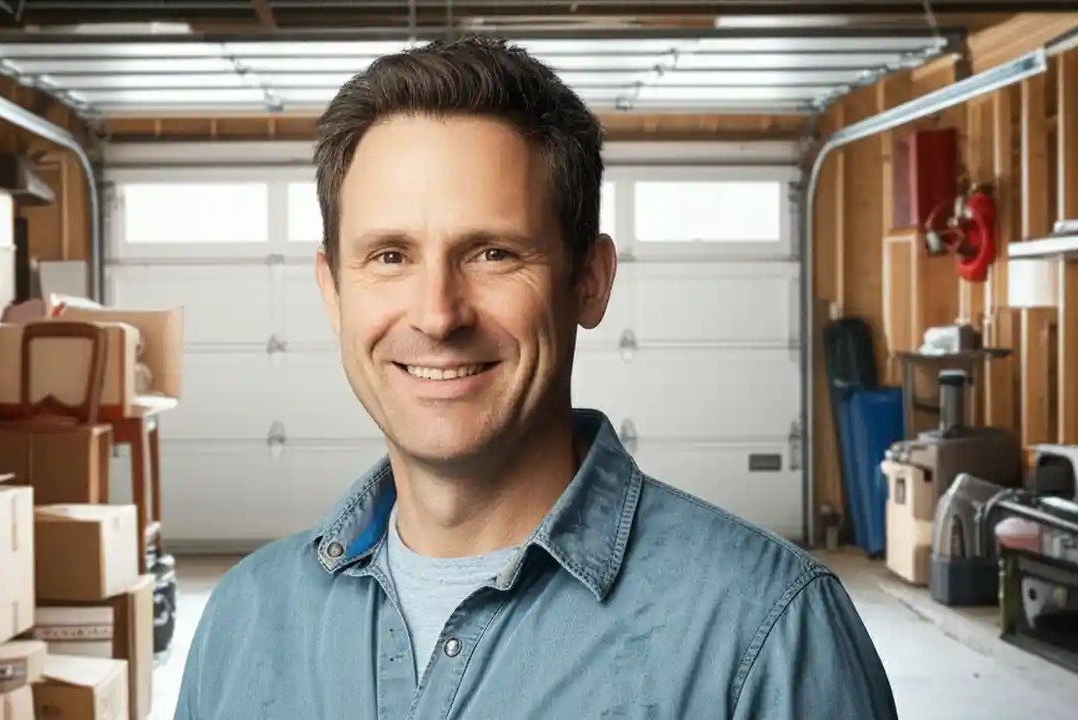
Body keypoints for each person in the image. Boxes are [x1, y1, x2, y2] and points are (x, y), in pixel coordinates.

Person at [175, 35, 897, 720]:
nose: (437, 314)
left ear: (589, 280)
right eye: (390, 255)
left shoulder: (765, 630)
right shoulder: (247, 620)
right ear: (332, 289)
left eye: (492, 253)